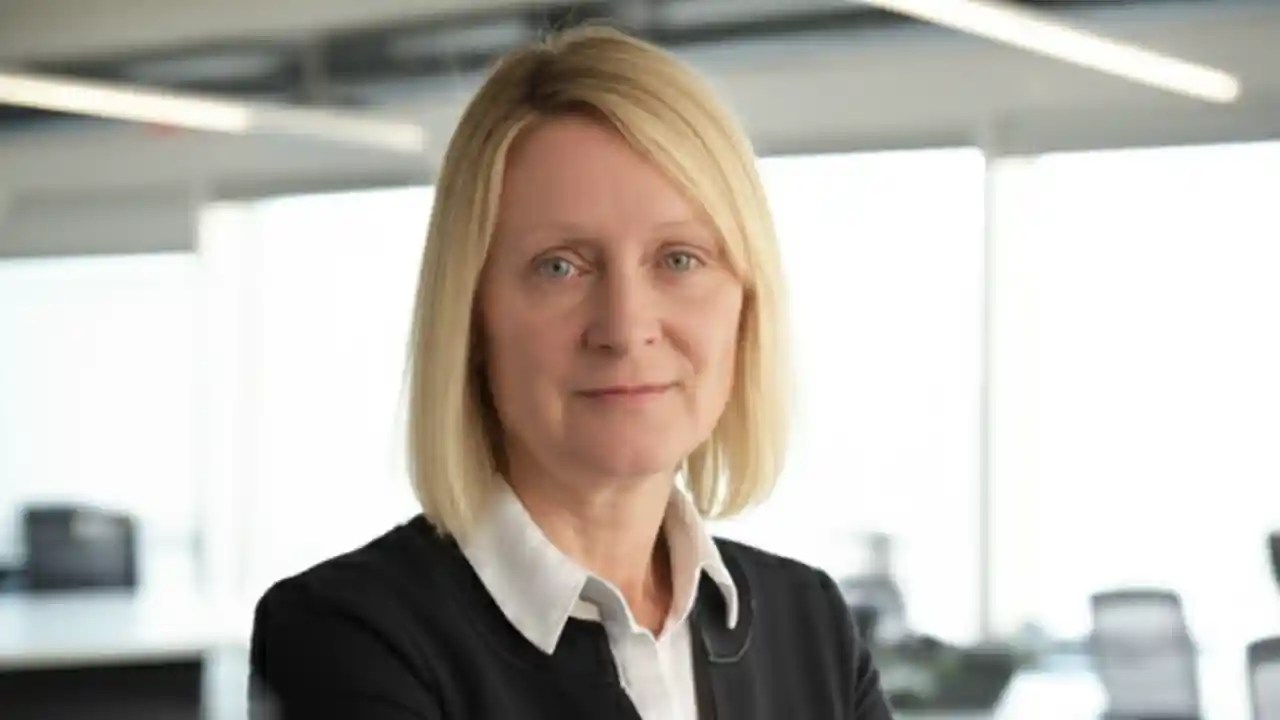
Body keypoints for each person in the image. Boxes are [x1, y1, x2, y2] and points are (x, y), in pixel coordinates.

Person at [249, 25, 893, 720]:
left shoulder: (813, 626)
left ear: (747, 303)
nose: (624, 328)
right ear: (471, 317)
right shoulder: (348, 638)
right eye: (560, 266)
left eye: (679, 259)